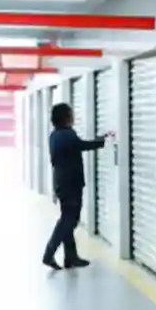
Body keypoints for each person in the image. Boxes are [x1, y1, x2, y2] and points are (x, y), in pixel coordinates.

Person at [43, 102, 111, 270]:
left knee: (68, 220)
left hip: (61, 184)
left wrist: (99, 140)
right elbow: (82, 145)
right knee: (68, 221)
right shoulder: (68, 134)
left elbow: (76, 146)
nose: (73, 116)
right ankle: (49, 253)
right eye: (70, 113)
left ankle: (70, 257)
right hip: (71, 185)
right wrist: (102, 141)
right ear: (66, 117)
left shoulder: (55, 135)